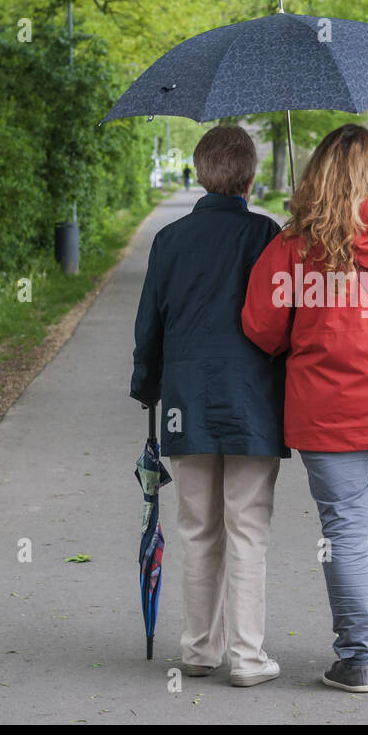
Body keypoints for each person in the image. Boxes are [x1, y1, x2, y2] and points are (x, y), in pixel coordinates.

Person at [241, 123, 368, 693]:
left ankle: (355, 658)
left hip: (326, 410)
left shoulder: (295, 246)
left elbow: (261, 327)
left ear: (318, 177)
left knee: (345, 530)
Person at [131, 125, 288, 687]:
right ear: (249, 177)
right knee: (248, 527)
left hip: (185, 399)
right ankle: (248, 658)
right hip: (253, 401)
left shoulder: (170, 240)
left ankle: (199, 649)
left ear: (200, 174)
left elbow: (149, 323)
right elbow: (286, 323)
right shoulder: (270, 236)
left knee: (197, 526)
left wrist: (145, 384)